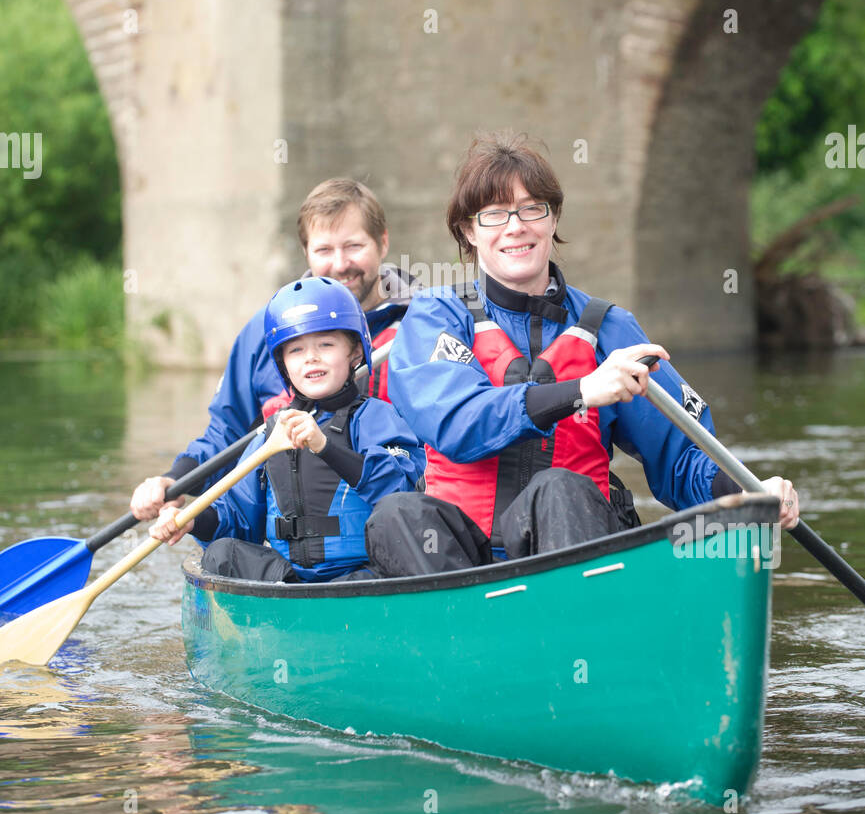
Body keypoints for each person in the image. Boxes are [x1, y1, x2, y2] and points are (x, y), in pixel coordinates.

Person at [365, 131, 800, 576]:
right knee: (395, 512)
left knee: (558, 488)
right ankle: (459, 629)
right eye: (494, 214)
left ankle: (577, 623)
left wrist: (746, 490)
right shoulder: (436, 316)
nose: (516, 226)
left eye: (533, 208)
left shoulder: (611, 330)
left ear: (553, 220)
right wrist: (582, 390)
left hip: (573, 552)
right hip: (460, 564)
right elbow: (457, 422)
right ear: (468, 231)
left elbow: (681, 456)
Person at [130, 178, 417, 523]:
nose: (341, 265)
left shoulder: (422, 324)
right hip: (294, 530)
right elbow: (226, 433)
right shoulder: (265, 334)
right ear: (307, 252)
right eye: (324, 250)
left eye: (354, 246)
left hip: (396, 520)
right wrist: (174, 481)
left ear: (382, 242)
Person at [149, 278, 425, 582]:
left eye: (326, 344)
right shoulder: (271, 436)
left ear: (356, 353)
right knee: (222, 553)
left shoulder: (377, 418)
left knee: (375, 563)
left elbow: (402, 494)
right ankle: (291, 603)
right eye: (296, 350)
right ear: (283, 365)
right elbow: (238, 520)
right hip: (290, 581)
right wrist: (191, 520)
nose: (311, 357)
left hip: (365, 576)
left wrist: (325, 447)